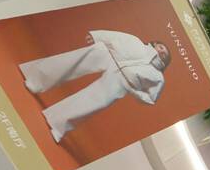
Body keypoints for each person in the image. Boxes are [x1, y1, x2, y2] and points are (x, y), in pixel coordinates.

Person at [17, 31, 171, 143]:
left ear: (166, 61)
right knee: (71, 62)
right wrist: (97, 36)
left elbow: (151, 98)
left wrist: (133, 90)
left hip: (122, 82)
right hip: (108, 54)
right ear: (155, 44)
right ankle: (35, 79)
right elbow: (116, 36)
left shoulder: (158, 77)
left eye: (165, 53)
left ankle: (58, 123)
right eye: (162, 47)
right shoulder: (136, 41)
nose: (162, 50)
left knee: (93, 103)